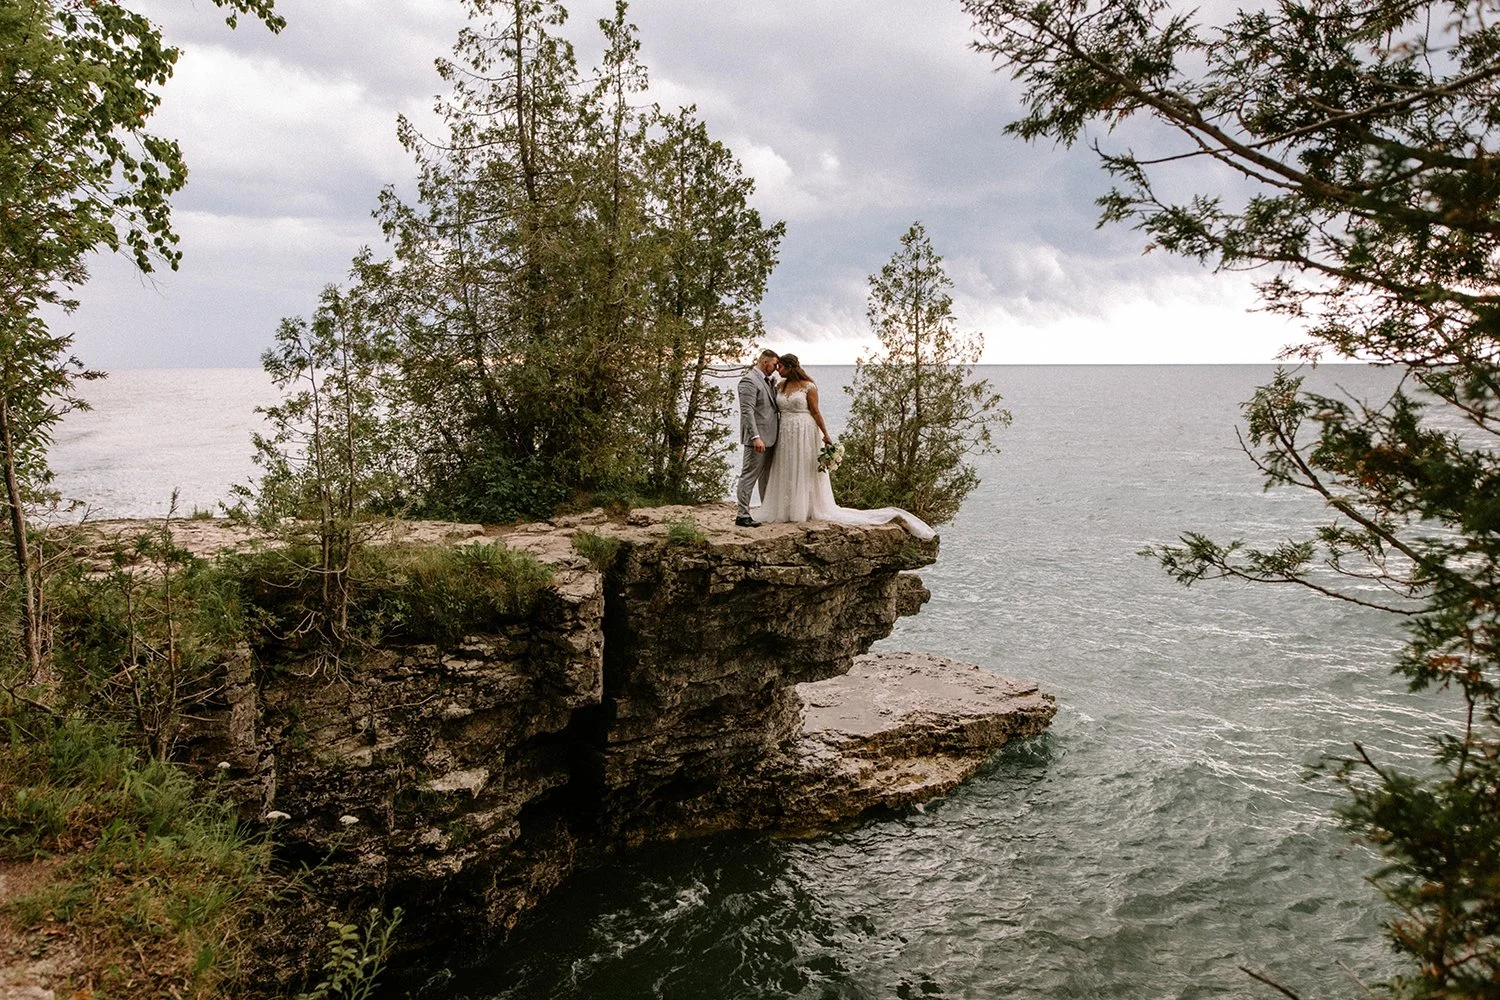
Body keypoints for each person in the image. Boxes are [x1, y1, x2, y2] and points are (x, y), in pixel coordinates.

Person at [759, 353, 935, 540]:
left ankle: (803, 508)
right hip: (786, 431)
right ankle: (786, 508)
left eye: (781, 367)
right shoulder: (779, 386)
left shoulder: (808, 387)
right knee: (787, 467)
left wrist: (826, 435)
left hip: (805, 431)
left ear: (790, 367)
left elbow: (816, 413)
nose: (778, 370)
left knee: (804, 467)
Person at [735, 348, 781, 528]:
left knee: (766, 477)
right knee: (749, 475)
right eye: (774, 364)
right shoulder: (749, 381)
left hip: (770, 437)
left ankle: (765, 510)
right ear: (764, 362)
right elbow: (747, 412)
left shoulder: (768, 381)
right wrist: (755, 437)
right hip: (758, 439)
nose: (776, 368)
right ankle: (742, 514)